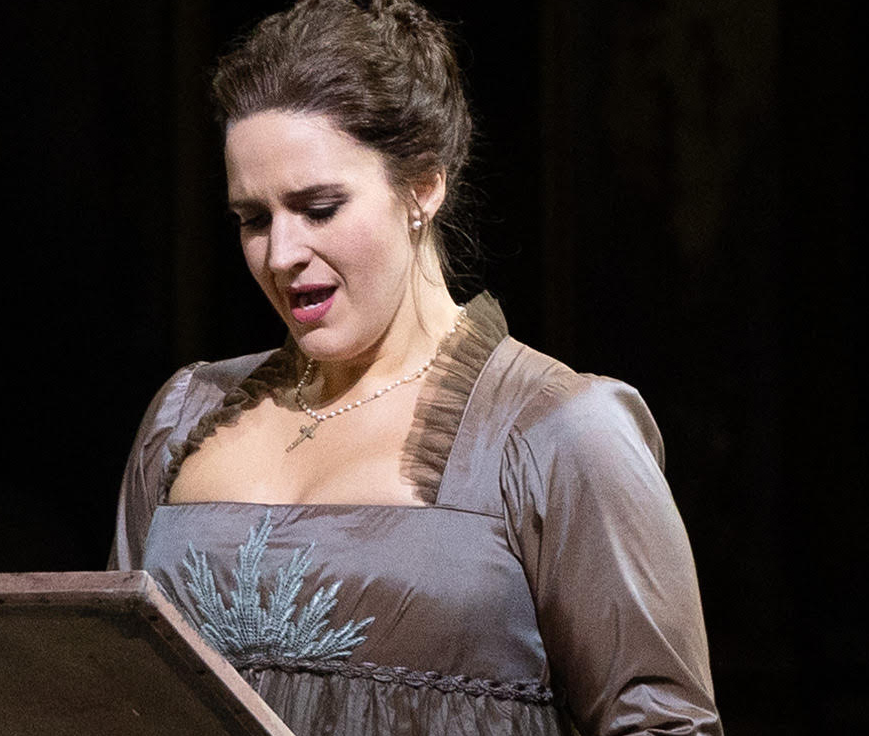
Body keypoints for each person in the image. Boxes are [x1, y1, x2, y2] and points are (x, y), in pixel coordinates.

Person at [109, 1, 722, 733]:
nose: (280, 254)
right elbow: (108, 690)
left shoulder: (555, 430)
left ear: (423, 187)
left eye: (320, 207)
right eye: (254, 219)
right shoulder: (186, 414)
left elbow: (662, 723)